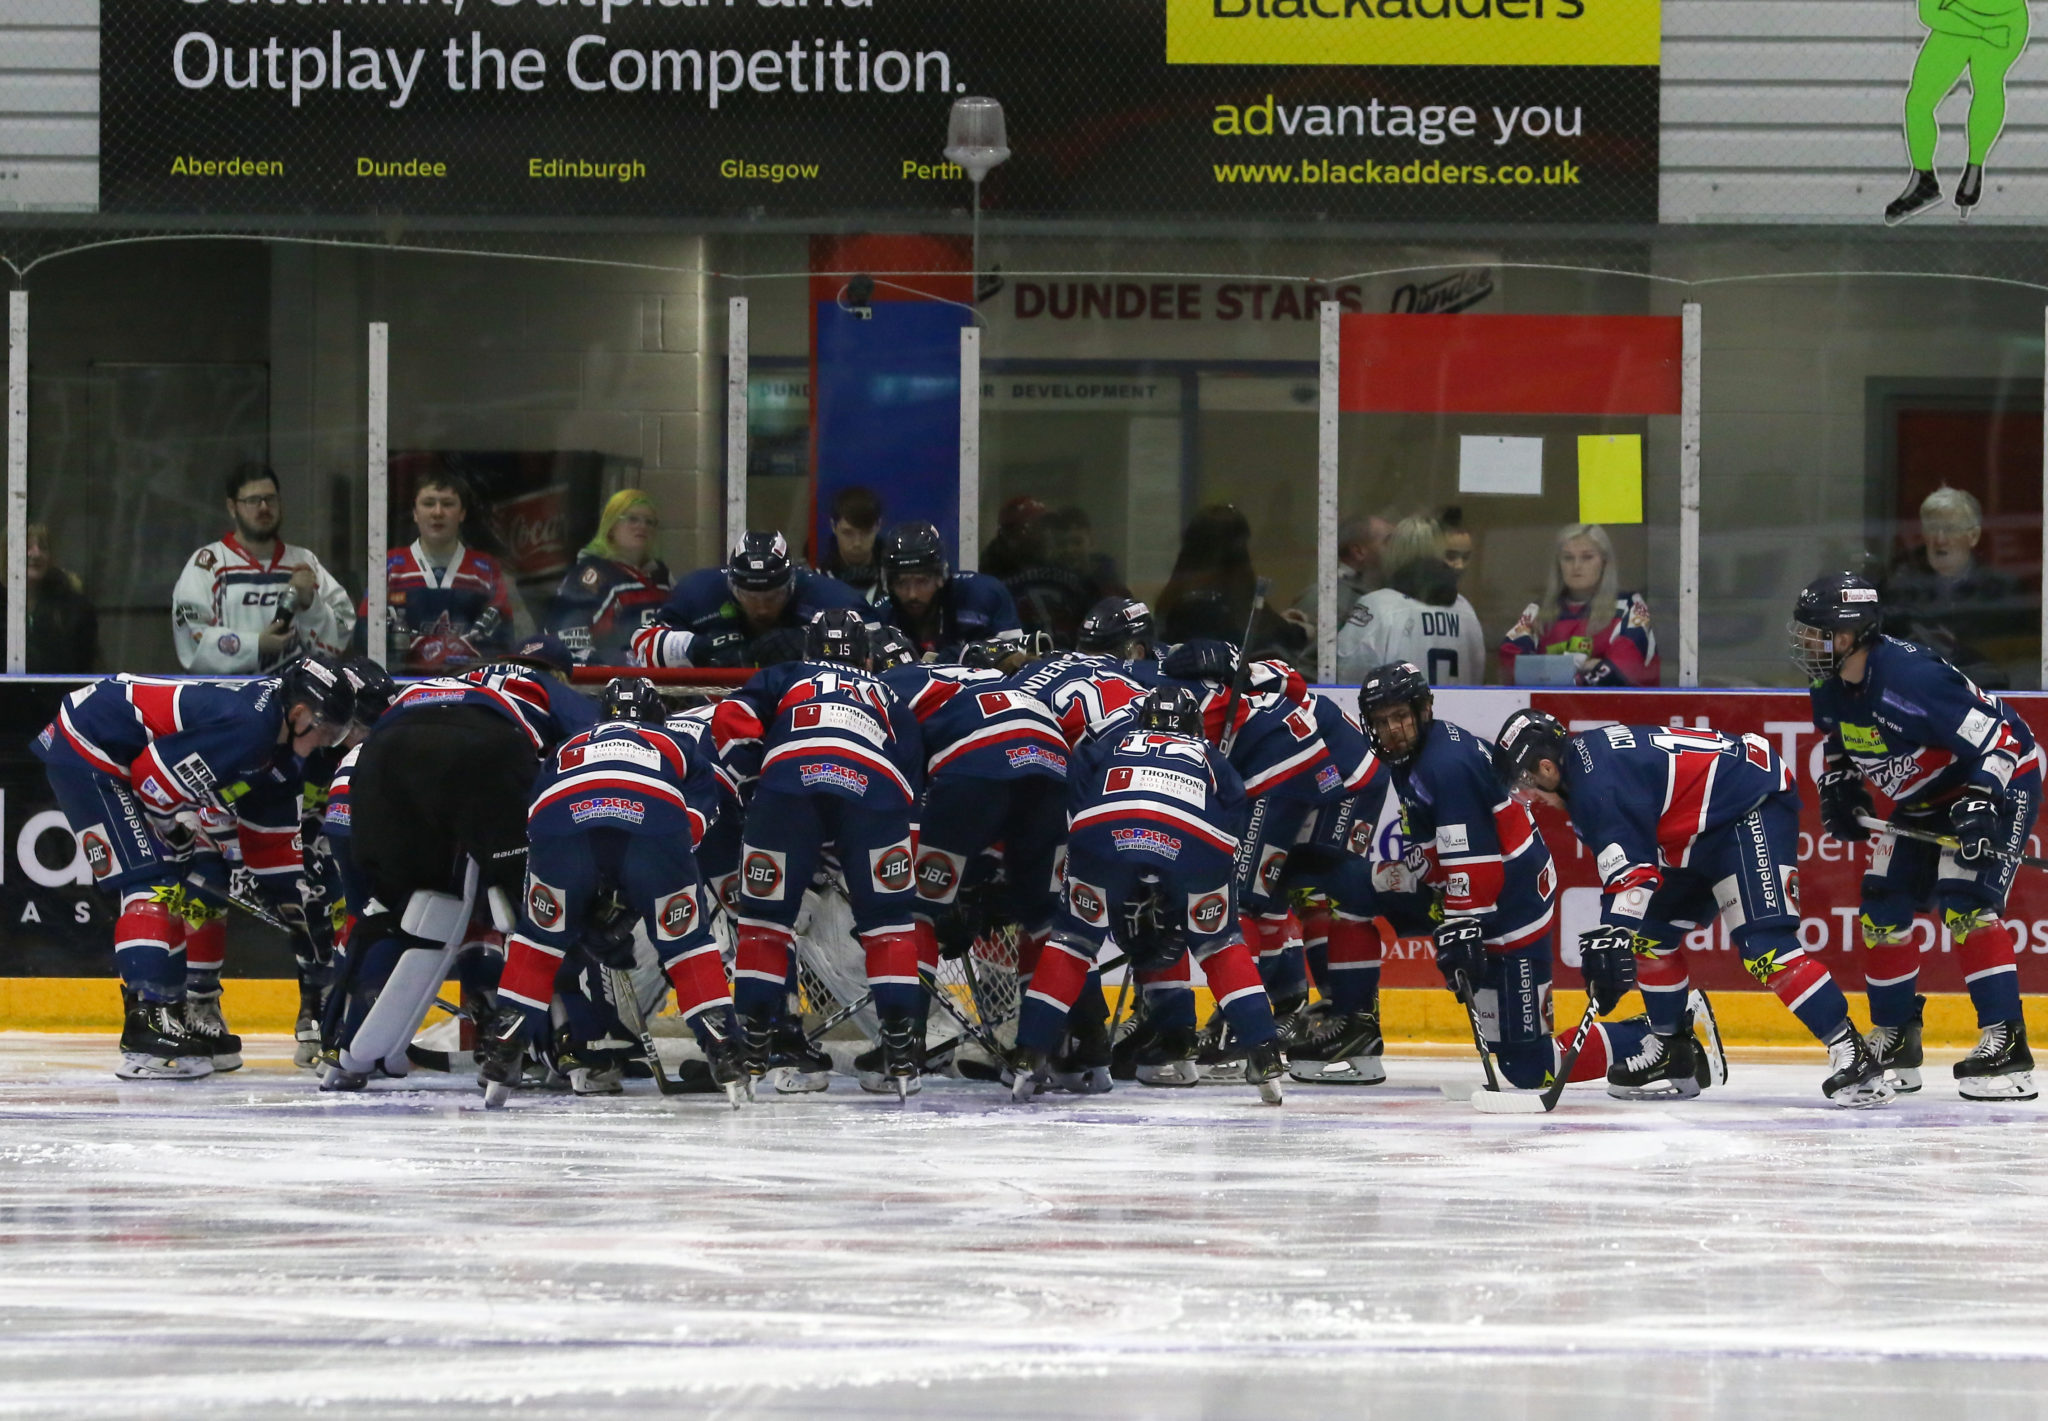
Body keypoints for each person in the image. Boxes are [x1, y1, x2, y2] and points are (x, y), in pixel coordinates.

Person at [1492, 706, 1894, 1107]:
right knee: (1648, 940)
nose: (1531, 796)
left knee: (1766, 946)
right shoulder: (1588, 770)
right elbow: (1634, 871)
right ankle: (1671, 1051)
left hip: (1748, 807)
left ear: (1547, 767)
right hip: (1698, 830)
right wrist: (1619, 938)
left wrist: (1613, 936)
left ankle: (1855, 1056)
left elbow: (1633, 873)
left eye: (1527, 781)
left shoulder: (1595, 786)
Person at [33, 655, 356, 1079]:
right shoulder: (251, 728)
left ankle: (171, 1016)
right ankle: (147, 1028)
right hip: (89, 746)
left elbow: (270, 844)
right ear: (299, 715)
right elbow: (153, 780)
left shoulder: (280, 753)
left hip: (113, 751)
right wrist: (179, 833)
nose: (328, 744)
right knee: (151, 882)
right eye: (327, 732)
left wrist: (294, 909)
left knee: (163, 877)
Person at [1794, 570, 2040, 1100]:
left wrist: (1979, 805)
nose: (1807, 643)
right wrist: (1840, 783)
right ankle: (1897, 1040)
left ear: (1847, 634)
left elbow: (2000, 740)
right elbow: (1837, 735)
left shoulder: (1911, 679)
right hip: (1928, 796)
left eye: (1815, 632)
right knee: (1881, 904)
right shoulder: (1827, 682)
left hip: (2000, 776)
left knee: (1966, 903)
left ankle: (2008, 1046)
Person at [1359, 663, 1656, 1097]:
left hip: (1514, 915)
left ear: (1423, 710)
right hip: (1490, 902)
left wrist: (1460, 931)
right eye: (1382, 721)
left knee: (1529, 1068)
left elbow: (1477, 872)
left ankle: (1660, 1029)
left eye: (1400, 716)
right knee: (1352, 885)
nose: (1393, 730)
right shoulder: (1416, 756)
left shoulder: (1445, 765)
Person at [326, 658, 597, 1088]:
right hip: (481, 749)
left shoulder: (434, 685)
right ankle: (569, 1046)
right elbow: (596, 748)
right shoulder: (539, 684)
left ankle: (342, 1049)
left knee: (389, 908)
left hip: (382, 757)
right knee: (531, 908)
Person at [1010, 684, 1286, 1105]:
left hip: (1103, 829)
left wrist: (1097, 850)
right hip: (1193, 839)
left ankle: (1030, 1054)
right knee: (1220, 945)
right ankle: (1264, 1056)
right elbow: (1234, 809)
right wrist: (1191, 881)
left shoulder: (1115, 741)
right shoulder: (1209, 754)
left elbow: (1078, 781)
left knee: (1072, 942)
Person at [477, 677, 745, 1107]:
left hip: (561, 823)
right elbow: (696, 820)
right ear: (658, 715)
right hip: (652, 822)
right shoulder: (675, 742)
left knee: (538, 942)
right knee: (688, 946)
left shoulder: (569, 745)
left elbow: (534, 815)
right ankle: (725, 1052)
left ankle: (504, 1045)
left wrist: (586, 895)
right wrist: (634, 889)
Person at [712, 610, 927, 1096]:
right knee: (890, 926)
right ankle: (901, 1053)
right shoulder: (887, 693)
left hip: (788, 784)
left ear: (809, 651)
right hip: (875, 791)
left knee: (764, 925)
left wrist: (753, 785)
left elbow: (731, 720)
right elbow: (911, 783)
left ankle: (750, 1047)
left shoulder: (788, 674)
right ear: (868, 657)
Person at [881, 657, 1072, 1088]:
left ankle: (902, 1055)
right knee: (1044, 916)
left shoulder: (892, 683)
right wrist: (987, 869)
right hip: (1054, 767)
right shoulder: (1008, 682)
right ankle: (1059, 1054)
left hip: (973, 766)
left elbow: (906, 777)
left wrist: (950, 888)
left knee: (917, 908)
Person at [174, 464, 355, 674]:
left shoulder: (304, 561)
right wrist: (256, 645)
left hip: (292, 698)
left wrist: (310, 603)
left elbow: (343, 630)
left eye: (270, 499)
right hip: (229, 698)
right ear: (232, 507)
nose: (263, 508)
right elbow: (191, 639)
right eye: (252, 501)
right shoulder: (208, 563)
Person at [634, 531, 864, 670]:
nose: (762, 608)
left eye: (773, 596)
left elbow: (880, 641)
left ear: (792, 584)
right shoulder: (700, 591)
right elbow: (641, 645)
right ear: (732, 586)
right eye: (750, 597)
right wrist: (698, 649)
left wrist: (810, 641)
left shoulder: (826, 596)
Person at [1885, 0, 2028, 222]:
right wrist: (1981, 31)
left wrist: (1967, 18)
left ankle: (1974, 168)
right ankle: (1924, 179)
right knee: (1918, 101)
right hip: (1961, 23)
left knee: (1987, 84)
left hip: (2004, 23)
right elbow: (1927, 13)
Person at [375, 473, 526, 675]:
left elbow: (501, 642)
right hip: (402, 685)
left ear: (462, 513)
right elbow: (367, 635)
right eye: (428, 503)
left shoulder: (486, 569)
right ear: (415, 513)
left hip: (469, 686)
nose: (438, 512)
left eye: (447, 504)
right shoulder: (389, 566)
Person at [1880, 485, 2028, 689]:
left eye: (1950, 529)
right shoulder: (1898, 589)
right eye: (1932, 528)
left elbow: (2021, 663)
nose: (1940, 539)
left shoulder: (2004, 592)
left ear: (1973, 536)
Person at [1498, 522, 1660, 686]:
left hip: (1610, 709)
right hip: (1547, 708)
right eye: (1568, 558)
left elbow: (1625, 668)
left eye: (1587, 557)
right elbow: (1512, 662)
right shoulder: (1539, 610)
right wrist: (1585, 666)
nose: (1576, 566)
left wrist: (1555, 672)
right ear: (1558, 564)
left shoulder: (1630, 606)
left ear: (1604, 562)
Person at [1335, 515, 1486, 687]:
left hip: (1397, 712)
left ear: (1396, 551)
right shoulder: (1465, 609)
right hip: (1454, 712)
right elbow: (1476, 675)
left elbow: (1348, 673)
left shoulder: (1377, 605)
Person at [1156, 504, 1307, 666]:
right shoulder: (1207, 605)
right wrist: (1299, 630)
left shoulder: (1180, 596)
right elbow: (1250, 641)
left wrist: (1280, 622)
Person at [547, 490, 671, 666]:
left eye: (649, 522)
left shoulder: (661, 575)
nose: (642, 526)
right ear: (611, 526)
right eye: (632, 519)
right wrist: (607, 668)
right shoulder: (592, 573)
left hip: (660, 681)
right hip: (609, 684)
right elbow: (567, 635)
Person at [873, 521, 1021, 659]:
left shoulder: (984, 595)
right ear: (890, 584)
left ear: (941, 577)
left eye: (922, 581)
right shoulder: (881, 616)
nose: (913, 594)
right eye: (902, 583)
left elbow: (1016, 659)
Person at [10, 524, 98, 672]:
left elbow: (84, 664)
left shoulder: (74, 608)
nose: (36, 554)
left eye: (43, 547)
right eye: (26, 546)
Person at [1290, 512, 1392, 640]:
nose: (1397, 549)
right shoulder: (1322, 600)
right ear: (1359, 551)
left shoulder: (1383, 594)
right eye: (1388, 542)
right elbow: (1304, 656)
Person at [820, 486, 884, 599]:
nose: (857, 543)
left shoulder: (895, 583)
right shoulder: (817, 582)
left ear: (878, 526)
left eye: (865, 533)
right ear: (833, 526)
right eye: (848, 533)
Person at [980, 495, 1048, 580]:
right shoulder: (992, 562)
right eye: (1035, 526)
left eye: (1042, 526)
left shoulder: (1048, 556)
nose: (1042, 532)